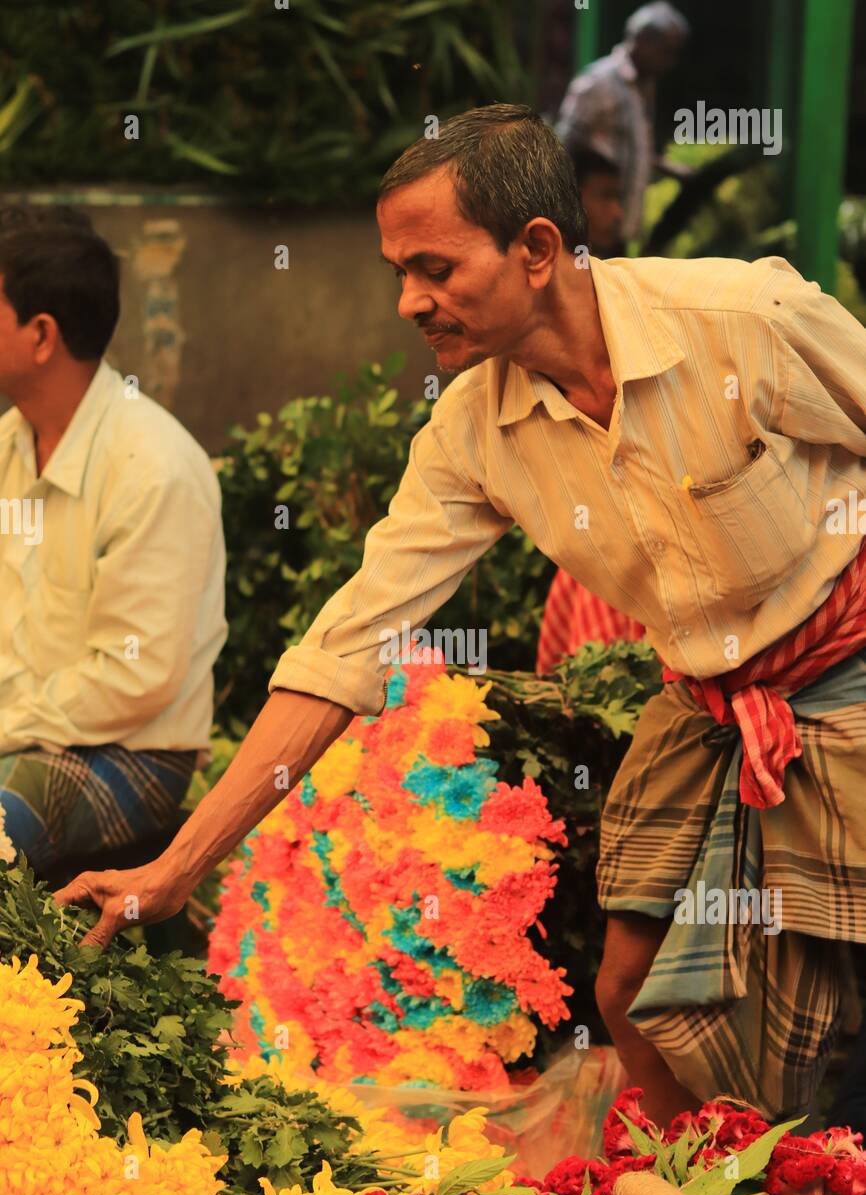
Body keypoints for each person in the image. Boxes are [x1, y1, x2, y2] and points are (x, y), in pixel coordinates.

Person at [57, 106, 866, 1132]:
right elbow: (343, 647)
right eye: (399, 271)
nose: (408, 300)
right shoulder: (471, 434)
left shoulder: (743, 318)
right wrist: (175, 871)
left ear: (535, 249)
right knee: (626, 993)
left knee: (828, 1021)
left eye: (432, 267)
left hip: (847, 665)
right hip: (707, 701)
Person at [0, 205, 227, 874]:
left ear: (41, 335)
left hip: (134, 751)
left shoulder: (152, 468)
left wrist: (7, 723)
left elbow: (134, 681)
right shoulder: (8, 445)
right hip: (23, 724)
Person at [536, 145, 642, 674]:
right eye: (604, 197)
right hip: (607, 560)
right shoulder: (496, 390)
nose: (617, 213)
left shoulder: (651, 305)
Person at [555, 1, 691, 249]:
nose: (670, 63)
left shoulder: (644, 86)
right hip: (589, 230)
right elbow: (566, 147)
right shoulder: (599, 81)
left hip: (619, 229)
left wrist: (667, 168)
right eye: (667, 51)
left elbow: (626, 148)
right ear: (644, 41)